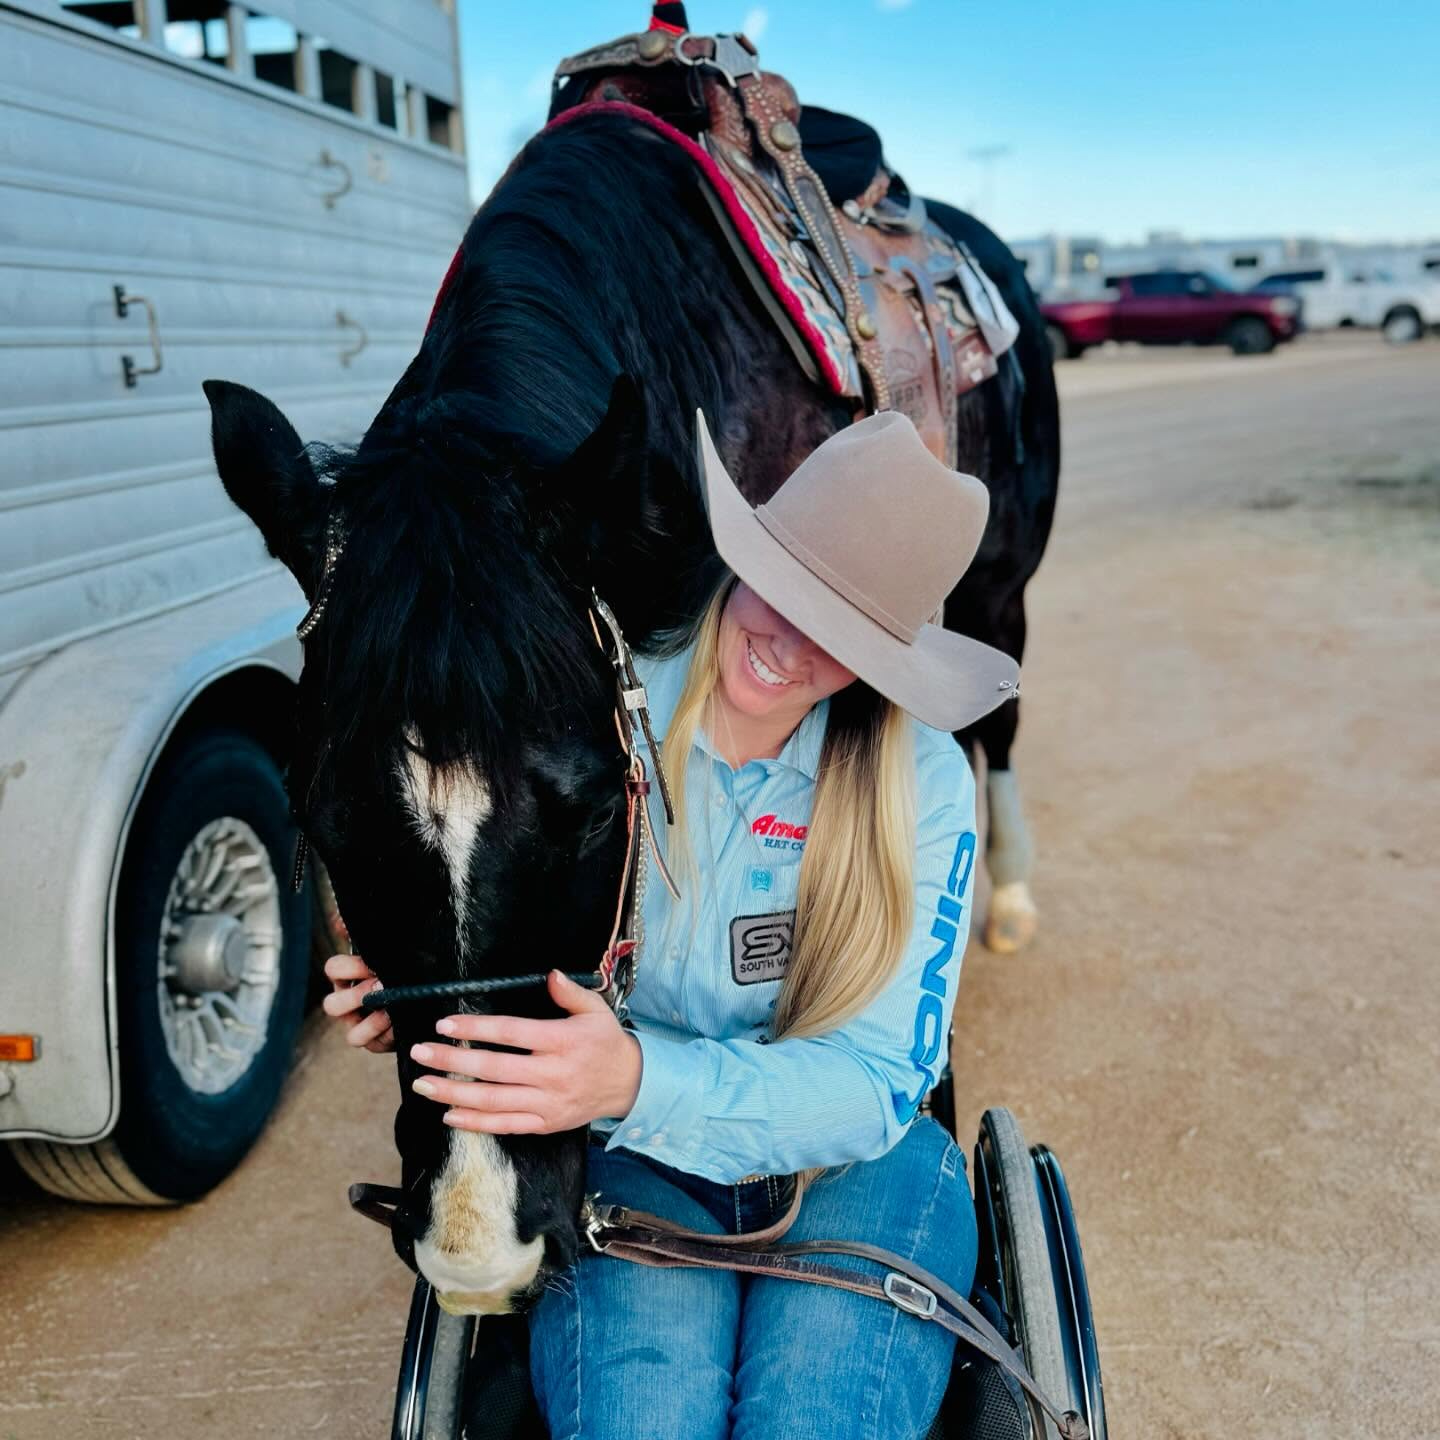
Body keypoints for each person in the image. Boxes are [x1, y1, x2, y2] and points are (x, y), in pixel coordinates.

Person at [324, 410, 1020, 1439]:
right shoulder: (591, 703)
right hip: (634, 1151)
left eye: (844, 634)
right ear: (742, 561)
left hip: (853, 1167)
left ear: (883, 662)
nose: (788, 644)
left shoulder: (919, 783)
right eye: (780, 591)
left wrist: (637, 1081)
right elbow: (485, 888)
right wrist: (422, 988)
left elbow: (879, 1083)